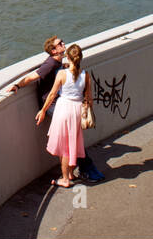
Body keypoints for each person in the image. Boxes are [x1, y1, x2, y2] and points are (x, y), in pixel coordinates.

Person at [10, 36, 105, 182]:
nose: (63, 43)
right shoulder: (50, 64)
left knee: (71, 139)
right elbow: (32, 77)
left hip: (61, 104)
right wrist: (17, 85)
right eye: (60, 43)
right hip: (53, 106)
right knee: (71, 139)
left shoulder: (61, 65)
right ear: (54, 50)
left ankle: (70, 174)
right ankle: (86, 169)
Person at [36, 44, 92, 188]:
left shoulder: (62, 74)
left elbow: (52, 95)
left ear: (68, 57)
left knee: (64, 146)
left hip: (63, 108)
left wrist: (43, 110)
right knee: (73, 143)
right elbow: (89, 99)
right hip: (77, 109)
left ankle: (65, 179)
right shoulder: (86, 75)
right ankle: (71, 173)